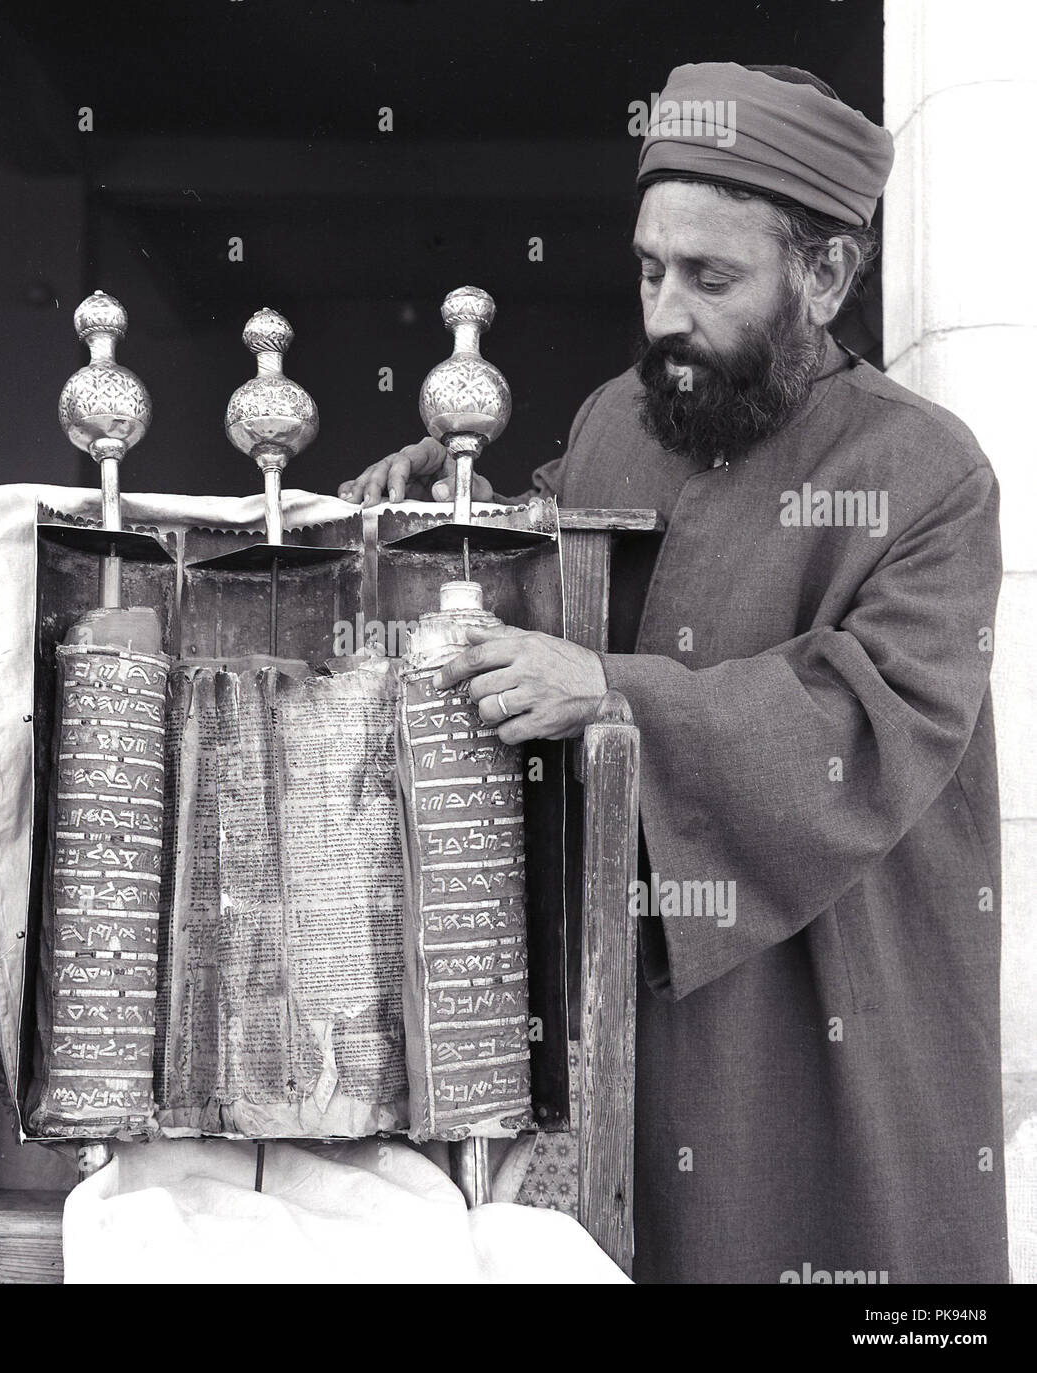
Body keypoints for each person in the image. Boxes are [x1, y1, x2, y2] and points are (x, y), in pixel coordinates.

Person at [340, 62, 1008, 1284]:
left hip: (826, 993)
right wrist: (457, 517)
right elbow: (550, 603)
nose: (662, 313)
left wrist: (613, 690)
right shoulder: (616, 421)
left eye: (710, 278)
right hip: (635, 990)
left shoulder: (930, 471)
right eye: (649, 269)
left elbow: (877, 714)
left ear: (825, 275)